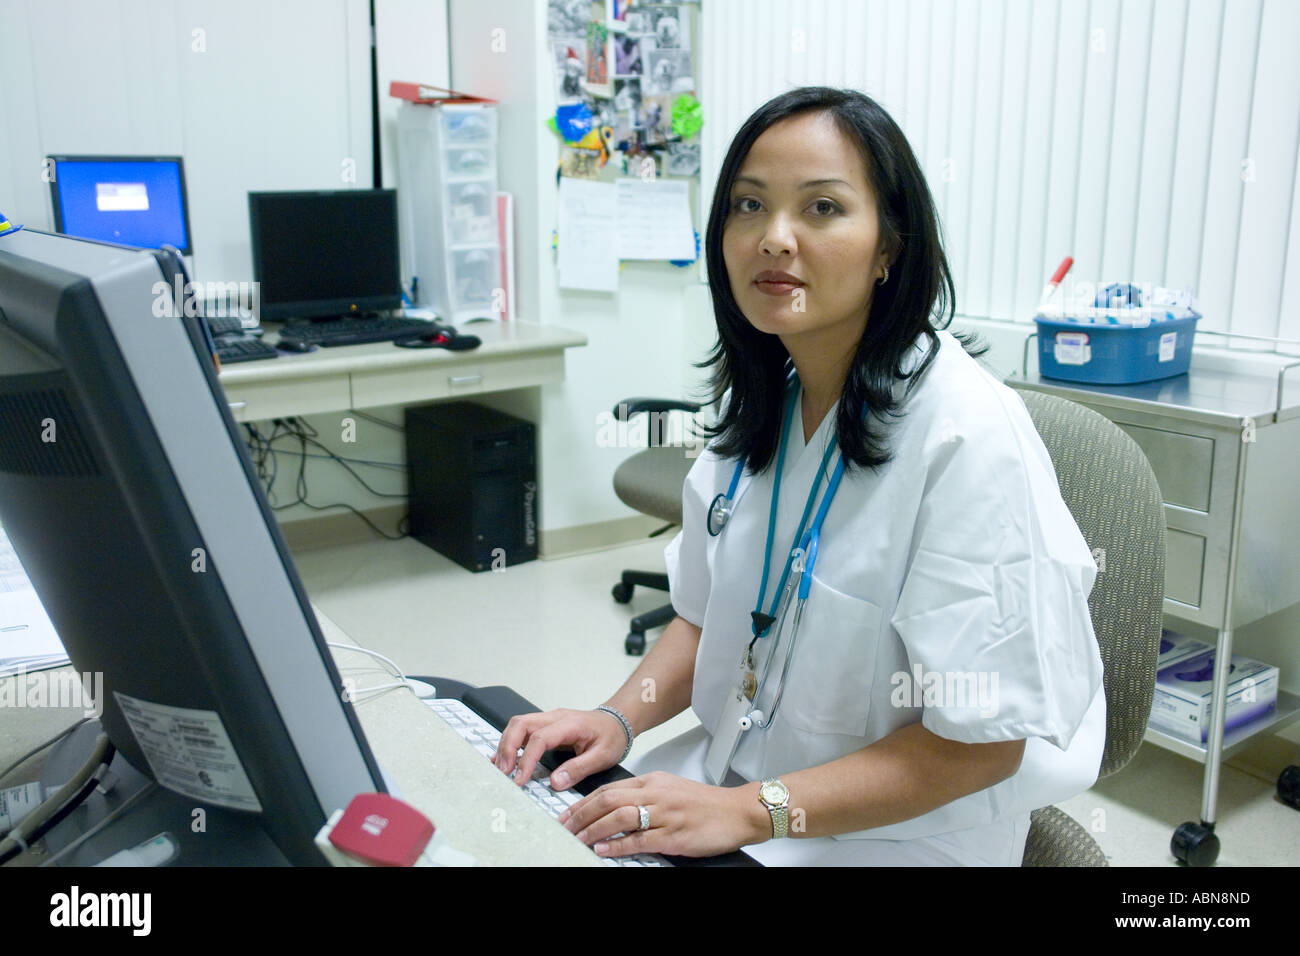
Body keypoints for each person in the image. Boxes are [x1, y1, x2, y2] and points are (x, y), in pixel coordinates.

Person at [494, 86, 1106, 866]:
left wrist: (752, 812)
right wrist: (618, 718)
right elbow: (702, 618)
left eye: (821, 208)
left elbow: (980, 749)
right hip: (738, 785)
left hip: (901, 832)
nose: (774, 238)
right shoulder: (767, 399)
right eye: (748, 206)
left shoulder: (968, 440)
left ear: (890, 245)